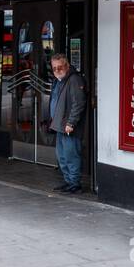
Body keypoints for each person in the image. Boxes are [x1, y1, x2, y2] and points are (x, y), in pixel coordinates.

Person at [47, 53, 85, 193]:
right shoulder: (58, 80)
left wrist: (71, 123)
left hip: (68, 127)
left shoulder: (74, 80)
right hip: (59, 125)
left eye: (60, 67)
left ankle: (75, 183)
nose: (57, 70)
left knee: (71, 155)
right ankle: (68, 181)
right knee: (62, 156)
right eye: (54, 68)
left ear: (67, 65)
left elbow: (79, 104)